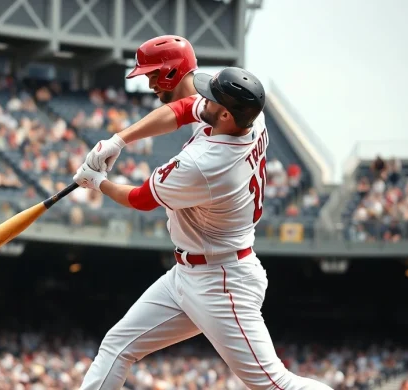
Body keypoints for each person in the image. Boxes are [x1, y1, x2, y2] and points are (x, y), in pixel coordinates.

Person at [73, 42, 333, 389]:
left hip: (222, 280)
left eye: (210, 99)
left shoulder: (206, 163)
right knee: (117, 346)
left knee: (275, 384)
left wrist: (98, 182)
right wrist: (119, 140)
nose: (201, 99)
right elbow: (183, 109)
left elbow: (140, 199)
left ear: (225, 114)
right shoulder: (249, 116)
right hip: (189, 272)